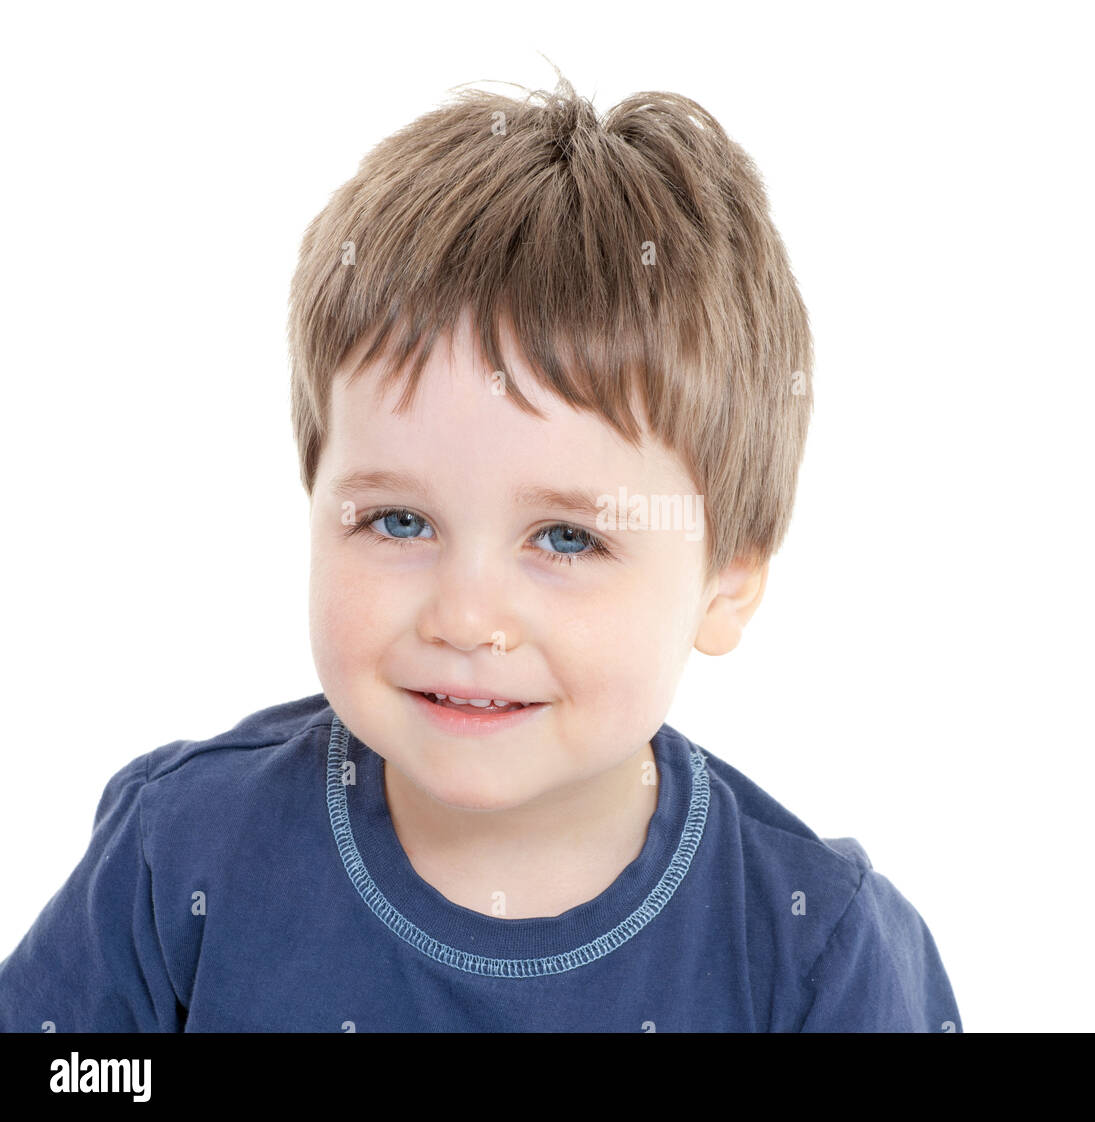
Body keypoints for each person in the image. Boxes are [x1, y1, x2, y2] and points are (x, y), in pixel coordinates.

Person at [0, 73, 961, 1032]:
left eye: (566, 538)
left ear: (730, 580)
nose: (465, 617)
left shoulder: (813, 957)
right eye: (399, 523)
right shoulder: (183, 854)